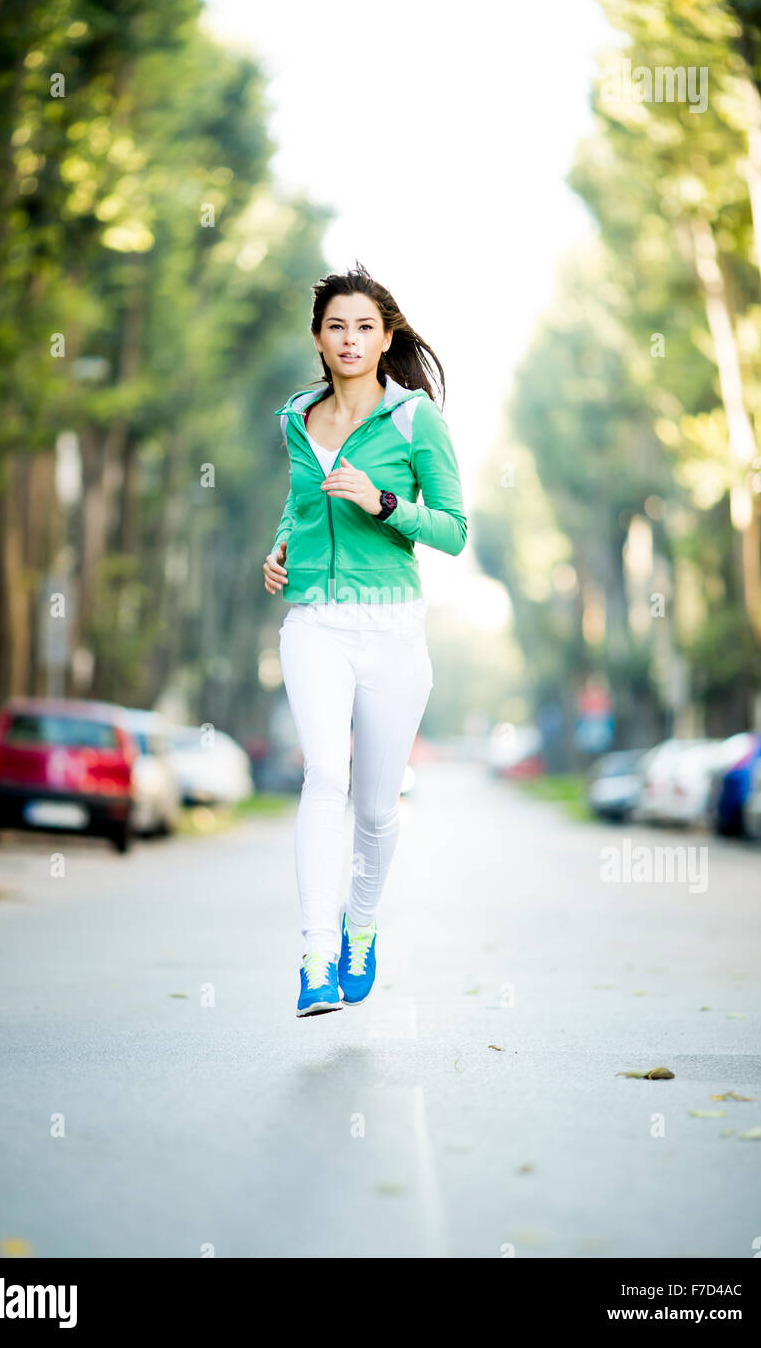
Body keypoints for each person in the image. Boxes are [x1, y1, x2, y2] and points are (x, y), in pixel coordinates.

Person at [262, 262, 467, 1017]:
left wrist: (383, 503)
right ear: (318, 338)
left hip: (392, 628)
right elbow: (298, 504)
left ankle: (360, 926)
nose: (349, 339)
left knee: (377, 810)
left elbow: (453, 529)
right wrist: (280, 548)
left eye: (364, 327)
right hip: (315, 623)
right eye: (336, 326)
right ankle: (316, 958)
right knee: (325, 777)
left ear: (385, 340)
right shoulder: (296, 418)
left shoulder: (415, 422)